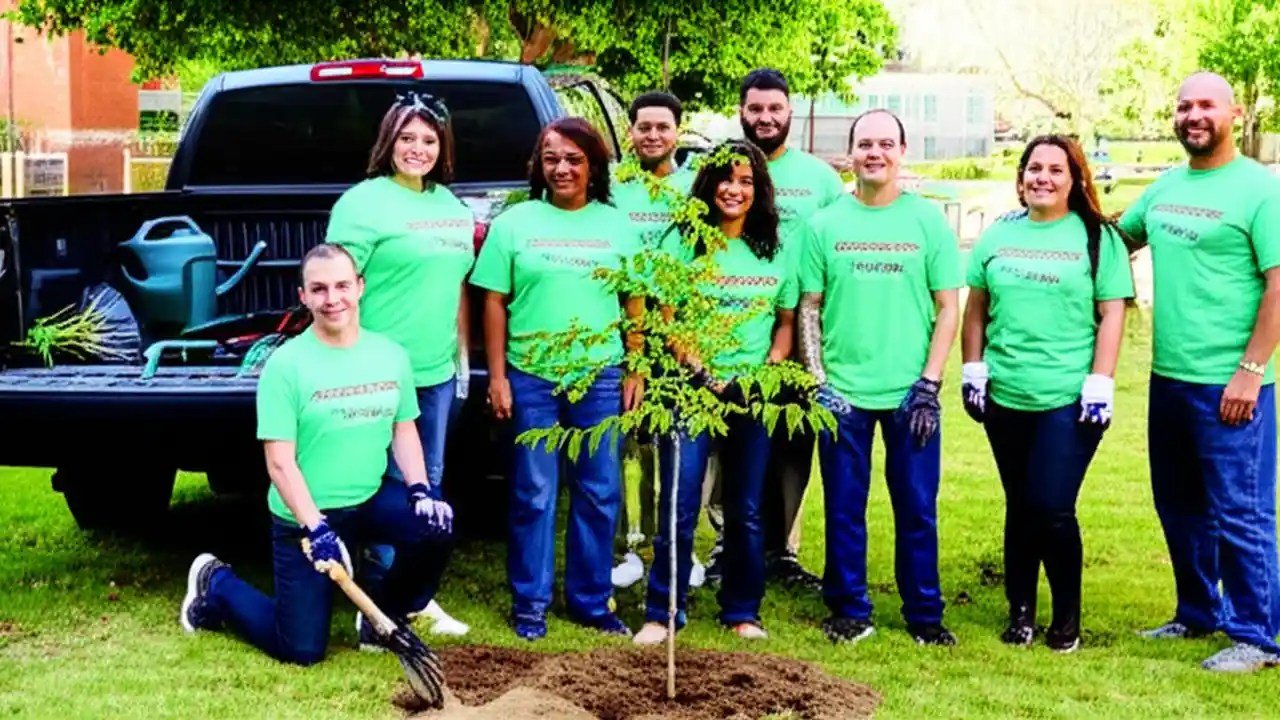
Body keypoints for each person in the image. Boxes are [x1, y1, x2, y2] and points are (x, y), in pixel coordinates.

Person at [177, 243, 454, 665]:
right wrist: (317, 528)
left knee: (434, 527)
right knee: (301, 650)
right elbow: (279, 463)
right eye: (319, 289)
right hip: (304, 519)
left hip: (367, 500)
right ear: (303, 296)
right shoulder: (286, 366)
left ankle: (383, 618)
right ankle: (215, 583)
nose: (332, 298)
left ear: (360, 288)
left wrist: (419, 490)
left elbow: (403, 428)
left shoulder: (391, 356)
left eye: (342, 285)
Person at [1117, 71, 1280, 673]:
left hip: (1233, 383)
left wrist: (1250, 370)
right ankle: (1197, 613)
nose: (1193, 115)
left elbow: (1279, 288)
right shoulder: (1164, 188)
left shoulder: (1259, 191)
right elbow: (1117, 239)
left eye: (1206, 104)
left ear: (1234, 113)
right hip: (1171, 377)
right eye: (1184, 105)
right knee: (1180, 504)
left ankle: (1259, 637)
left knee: (1242, 510)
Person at [469, 117, 645, 641]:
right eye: (551, 158)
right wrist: (498, 376)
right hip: (532, 377)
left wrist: (634, 367)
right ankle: (531, 604)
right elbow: (494, 301)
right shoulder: (515, 224)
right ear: (538, 166)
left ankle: (591, 601)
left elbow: (634, 302)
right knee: (533, 491)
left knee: (599, 489)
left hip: (600, 376)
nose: (562, 168)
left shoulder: (618, 226)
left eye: (573, 159)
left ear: (594, 166)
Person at [961, 134, 1134, 653]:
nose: (1043, 178)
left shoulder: (1097, 239)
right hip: (1006, 395)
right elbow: (976, 308)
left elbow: (1112, 314)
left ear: (1075, 179)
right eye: (1034, 168)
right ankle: (1021, 610)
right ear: (1020, 179)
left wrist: (1100, 381)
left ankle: (1066, 616)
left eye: (1056, 170)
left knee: (1052, 504)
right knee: (1020, 503)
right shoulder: (997, 236)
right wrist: (973, 368)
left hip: (1068, 399)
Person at [796, 109, 961, 646]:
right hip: (842, 393)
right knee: (844, 507)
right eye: (865, 143)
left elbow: (948, 307)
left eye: (886, 144)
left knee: (916, 506)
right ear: (849, 153)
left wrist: (930, 384)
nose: (875, 153)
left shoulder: (928, 221)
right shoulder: (824, 225)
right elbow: (809, 308)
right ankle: (849, 609)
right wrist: (819, 380)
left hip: (910, 394)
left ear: (902, 151)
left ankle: (925, 615)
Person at [633, 140, 796, 645]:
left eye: (747, 181)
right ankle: (663, 612)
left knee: (746, 508)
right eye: (726, 179)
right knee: (678, 502)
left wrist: (764, 372)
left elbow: (785, 322)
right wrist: (701, 370)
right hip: (689, 388)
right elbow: (665, 317)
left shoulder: (776, 245)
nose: (735, 189)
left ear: (760, 190)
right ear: (708, 184)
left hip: (752, 393)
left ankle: (742, 610)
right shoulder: (682, 242)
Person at [325, 90, 472, 638]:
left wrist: (462, 360)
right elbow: (334, 291)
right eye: (407, 138)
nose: (418, 148)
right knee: (384, 490)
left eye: (429, 140)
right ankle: (377, 612)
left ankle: (411, 597)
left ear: (443, 147)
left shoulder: (452, 208)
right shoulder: (361, 204)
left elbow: (455, 284)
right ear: (388, 142)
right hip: (375, 374)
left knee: (425, 485)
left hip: (433, 374)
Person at [736, 68, 847, 589]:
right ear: (742, 111)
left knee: (791, 436)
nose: (764, 119)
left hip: (802, 325)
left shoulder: (821, 179)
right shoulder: (727, 168)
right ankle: (728, 544)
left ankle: (783, 549)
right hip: (738, 323)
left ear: (790, 113)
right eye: (755, 109)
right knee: (728, 435)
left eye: (774, 109)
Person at [608, 91, 698, 590]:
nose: (653, 135)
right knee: (623, 447)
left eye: (663, 127)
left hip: (678, 336)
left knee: (674, 447)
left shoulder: (693, 190)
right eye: (644, 127)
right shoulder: (612, 187)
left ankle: (673, 546)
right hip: (616, 333)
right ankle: (627, 547)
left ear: (677, 132)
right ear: (631, 132)